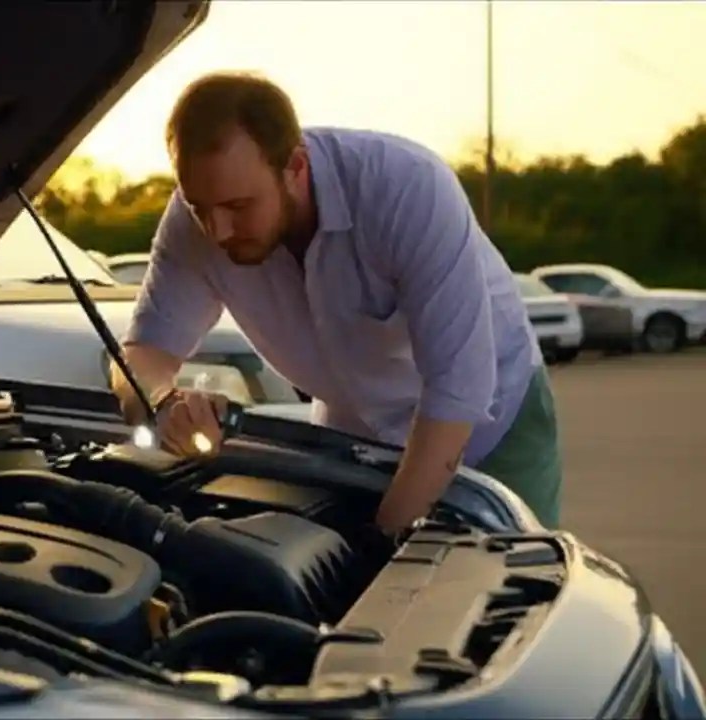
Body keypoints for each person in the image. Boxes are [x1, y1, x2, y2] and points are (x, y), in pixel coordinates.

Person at [109, 71, 563, 535]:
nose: (217, 230)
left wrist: (384, 540)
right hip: (352, 437)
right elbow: (141, 356)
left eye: (239, 207)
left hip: (491, 425)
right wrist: (164, 402)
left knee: (503, 588)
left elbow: (457, 394)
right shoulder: (195, 219)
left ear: (296, 168)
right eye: (198, 207)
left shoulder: (407, 189)